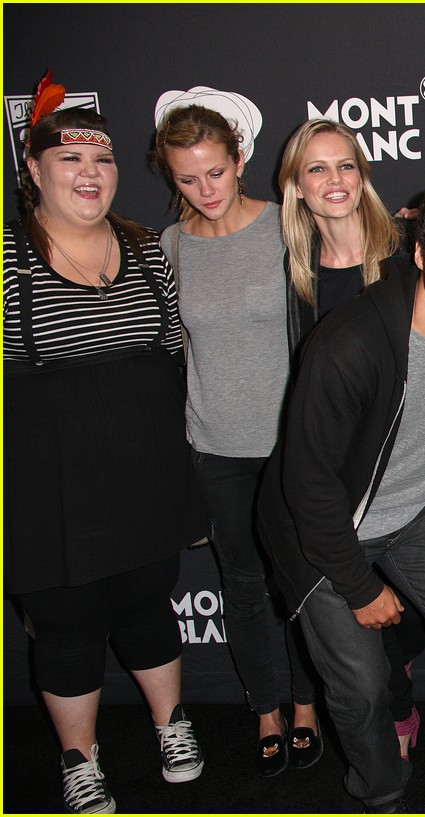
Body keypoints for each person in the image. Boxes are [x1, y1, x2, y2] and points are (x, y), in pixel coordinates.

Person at [263, 178, 425, 813]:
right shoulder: (351, 342)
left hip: (414, 512)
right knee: (361, 683)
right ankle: (380, 791)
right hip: (322, 530)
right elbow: (308, 487)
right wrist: (359, 587)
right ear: (419, 251)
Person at [4, 76, 205, 814]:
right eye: (70, 159)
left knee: (149, 606)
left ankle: (171, 724)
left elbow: (172, 352)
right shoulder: (7, 260)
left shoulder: (147, 249)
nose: (90, 173)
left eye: (103, 159)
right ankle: (79, 759)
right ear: (34, 169)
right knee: (65, 627)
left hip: (145, 475)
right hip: (45, 490)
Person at [153, 103, 322, 778]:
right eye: (187, 178)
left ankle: (307, 704)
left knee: (301, 585)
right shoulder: (171, 245)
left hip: (290, 447)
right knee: (243, 588)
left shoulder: (288, 225)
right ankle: (265, 710)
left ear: (240, 159)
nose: (205, 189)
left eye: (215, 172)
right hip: (217, 447)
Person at [261, 118, 425, 770]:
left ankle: (402, 686)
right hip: (335, 466)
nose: (334, 180)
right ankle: (396, 707)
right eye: (317, 169)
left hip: (408, 459)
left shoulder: (408, 248)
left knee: (406, 605)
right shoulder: (294, 270)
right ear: (296, 186)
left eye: (345, 165)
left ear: (363, 176)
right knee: (358, 599)